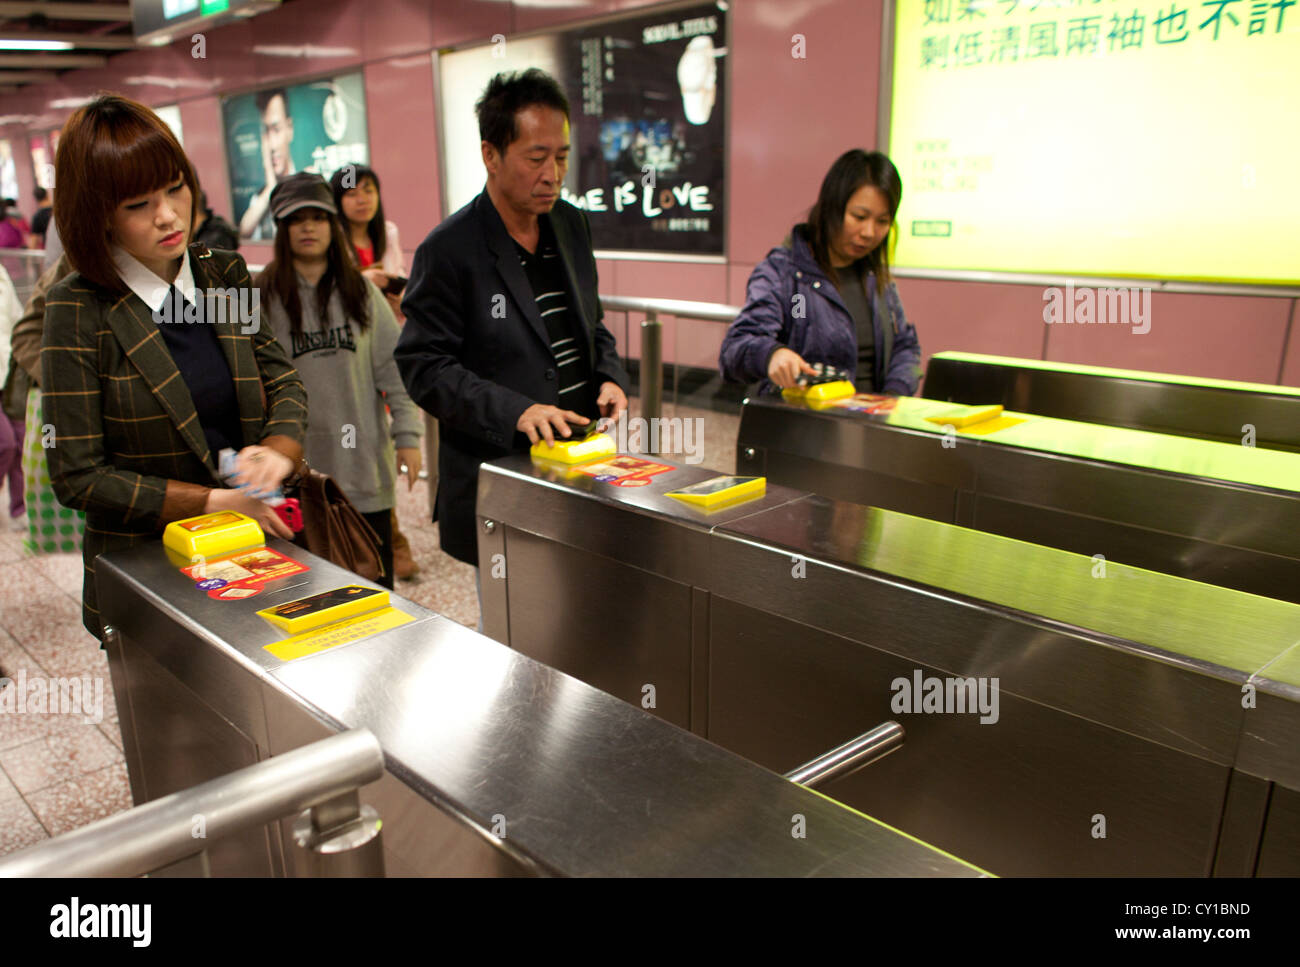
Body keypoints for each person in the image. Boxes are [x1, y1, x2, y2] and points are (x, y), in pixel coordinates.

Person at [41, 94, 308, 640]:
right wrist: (211, 502)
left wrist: (277, 452)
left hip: (259, 546)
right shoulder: (79, 307)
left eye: (175, 189)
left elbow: (280, 376)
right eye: (137, 205)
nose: (167, 215)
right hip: (150, 571)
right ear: (99, 217)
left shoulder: (222, 273)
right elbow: (77, 474)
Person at [395, 68, 630, 586]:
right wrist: (517, 411)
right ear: (490, 154)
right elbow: (424, 367)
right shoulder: (450, 250)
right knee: (516, 630)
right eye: (536, 157)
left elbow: (592, 324)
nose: (553, 174)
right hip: (503, 473)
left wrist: (609, 375)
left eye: (562, 156)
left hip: (579, 457)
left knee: (585, 607)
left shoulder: (571, 224)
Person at [258, 172, 421, 590]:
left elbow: (396, 370)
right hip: (296, 481)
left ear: (334, 225)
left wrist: (408, 436)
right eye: (297, 220)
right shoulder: (262, 297)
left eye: (318, 217)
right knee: (309, 598)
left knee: (377, 596)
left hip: (364, 474)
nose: (308, 227)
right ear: (282, 230)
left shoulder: (362, 295)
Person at [718, 149, 921, 397]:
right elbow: (736, 348)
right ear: (831, 209)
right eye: (859, 217)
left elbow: (904, 346)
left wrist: (893, 396)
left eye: (882, 221)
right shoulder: (785, 272)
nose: (869, 232)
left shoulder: (875, 278)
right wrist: (771, 354)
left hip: (870, 426)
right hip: (805, 425)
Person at [329, 162, 423, 580]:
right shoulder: (331, 240)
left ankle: (389, 536)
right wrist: (365, 280)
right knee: (362, 439)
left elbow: (400, 285)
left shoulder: (388, 231)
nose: (362, 199)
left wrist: (390, 285)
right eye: (352, 193)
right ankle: (388, 539)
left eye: (369, 190)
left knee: (383, 436)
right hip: (347, 353)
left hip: (386, 341)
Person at [239, 89, 295, 241]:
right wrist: (271, 187)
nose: (272, 145)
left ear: (289, 129)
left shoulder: (307, 185)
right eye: (266, 132)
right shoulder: (260, 197)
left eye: (276, 130)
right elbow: (244, 232)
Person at [0, 262, 25, 528]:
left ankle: (19, 509)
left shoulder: (2, 274)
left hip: (10, 374)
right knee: (5, 444)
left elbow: (17, 319)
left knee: (19, 443)